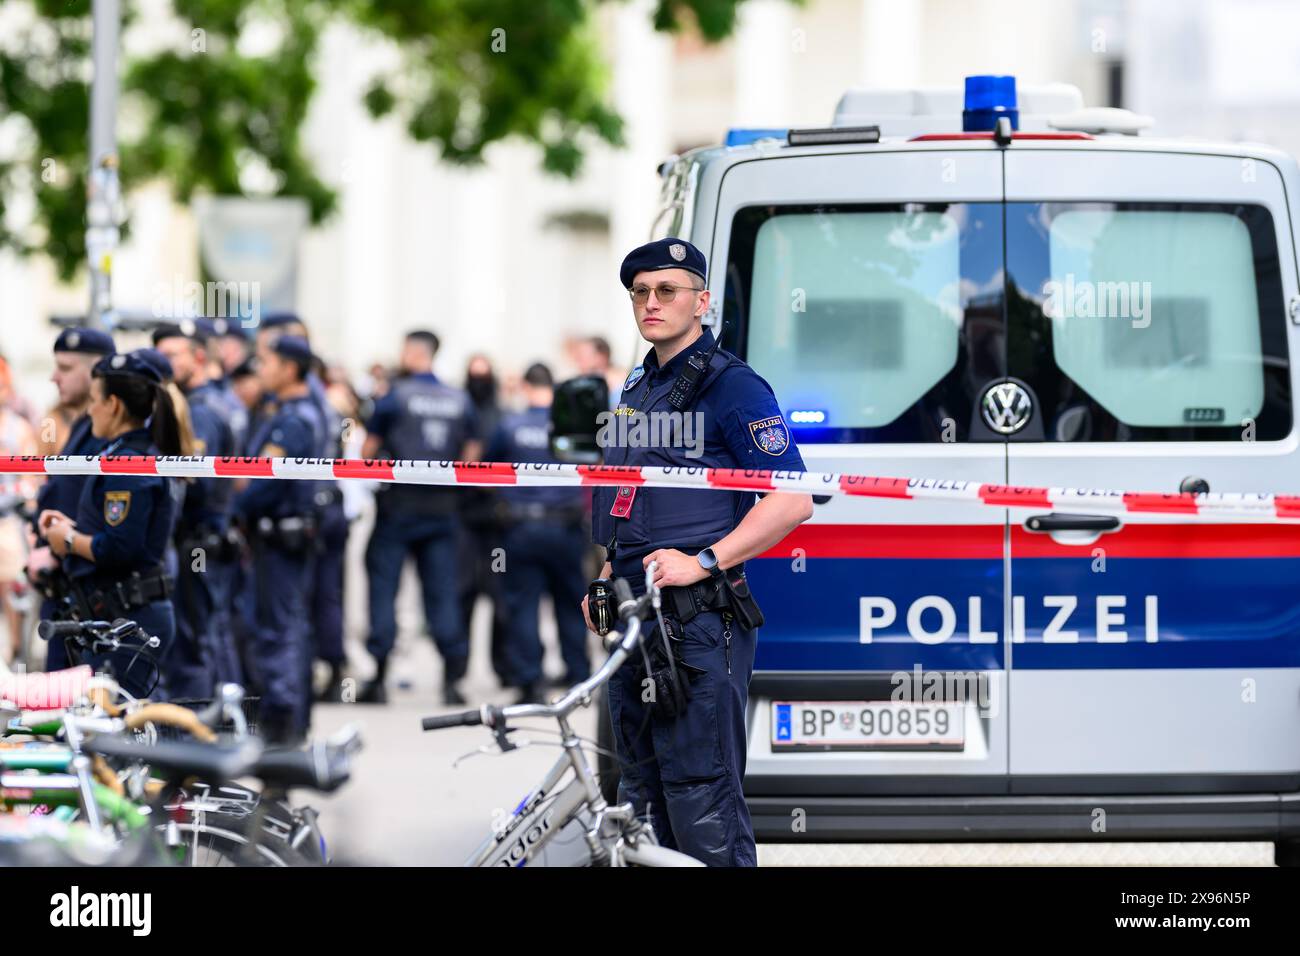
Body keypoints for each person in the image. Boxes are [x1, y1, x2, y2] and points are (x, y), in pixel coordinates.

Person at [588, 237, 813, 866]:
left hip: (697, 618)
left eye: (667, 290)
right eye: (640, 292)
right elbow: (630, 487)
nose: (651, 303)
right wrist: (608, 570)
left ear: (702, 301)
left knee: (701, 796)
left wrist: (708, 560)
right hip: (637, 614)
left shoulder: (732, 386)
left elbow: (792, 500)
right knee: (638, 794)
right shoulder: (640, 384)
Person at [37, 350, 182, 699]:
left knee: (121, 728)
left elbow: (120, 546)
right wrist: (70, 527)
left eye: (94, 401)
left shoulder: (128, 464)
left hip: (130, 617)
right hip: (117, 615)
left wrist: (68, 539)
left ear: (113, 405)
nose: (89, 411)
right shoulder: (121, 455)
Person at [358, 330, 481, 705]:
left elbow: (367, 452)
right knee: (442, 594)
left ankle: (378, 677)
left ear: (412, 352)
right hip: (442, 509)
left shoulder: (393, 396)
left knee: (384, 590)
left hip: (398, 507)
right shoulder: (460, 399)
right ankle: (451, 680)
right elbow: (473, 455)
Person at [233, 335, 325, 743]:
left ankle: (282, 726)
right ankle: (287, 723)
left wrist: (236, 499)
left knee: (277, 634)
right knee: (285, 629)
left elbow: (265, 482)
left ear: (289, 369)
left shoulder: (293, 420)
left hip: (279, 540)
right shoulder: (297, 411)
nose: (259, 369)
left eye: (266, 361)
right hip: (283, 539)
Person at [487, 363, 591, 703]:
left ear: (527, 388)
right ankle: (579, 676)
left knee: (522, 604)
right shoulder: (572, 425)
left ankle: (530, 680)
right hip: (566, 526)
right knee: (571, 601)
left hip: (520, 528)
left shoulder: (510, 426)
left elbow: (487, 469)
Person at [153, 321, 243, 695]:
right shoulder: (216, 401)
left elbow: (197, 482)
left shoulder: (202, 410)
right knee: (210, 632)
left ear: (199, 357)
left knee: (196, 636)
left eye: (172, 354)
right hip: (207, 538)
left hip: (198, 543)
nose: (164, 363)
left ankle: (206, 730)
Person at [26, 327, 116, 671]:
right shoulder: (80, 425)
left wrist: (61, 541)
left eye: (65, 368)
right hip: (65, 585)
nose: (53, 377)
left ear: (94, 372)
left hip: (92, 590)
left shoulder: (108, 435)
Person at [458, 354, 511, 688]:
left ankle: (504, 666)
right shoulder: (460, 410)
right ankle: (456, 671)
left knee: (500, 596)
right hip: (463, 519)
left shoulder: (503, 417)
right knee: (461, 594)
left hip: (497, 523)